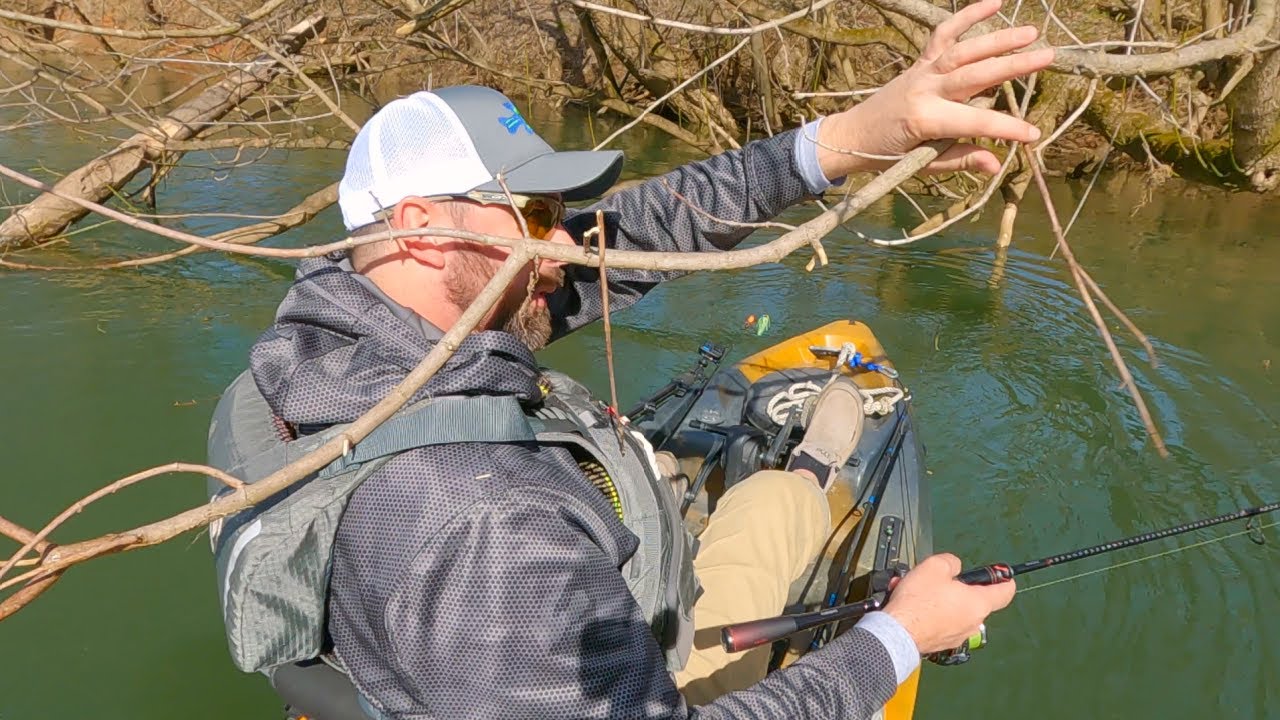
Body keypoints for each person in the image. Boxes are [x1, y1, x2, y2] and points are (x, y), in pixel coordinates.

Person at [206, 2, 1054, 718]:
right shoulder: (481, 524)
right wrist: (898, 638)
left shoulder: (329, 342)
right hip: (564, 650)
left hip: (465, 662)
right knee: (779, 505)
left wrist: (857, 139)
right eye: (536, 215)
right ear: (427, 229)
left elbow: (641, 231)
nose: (565, 249)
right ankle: (805, 477)